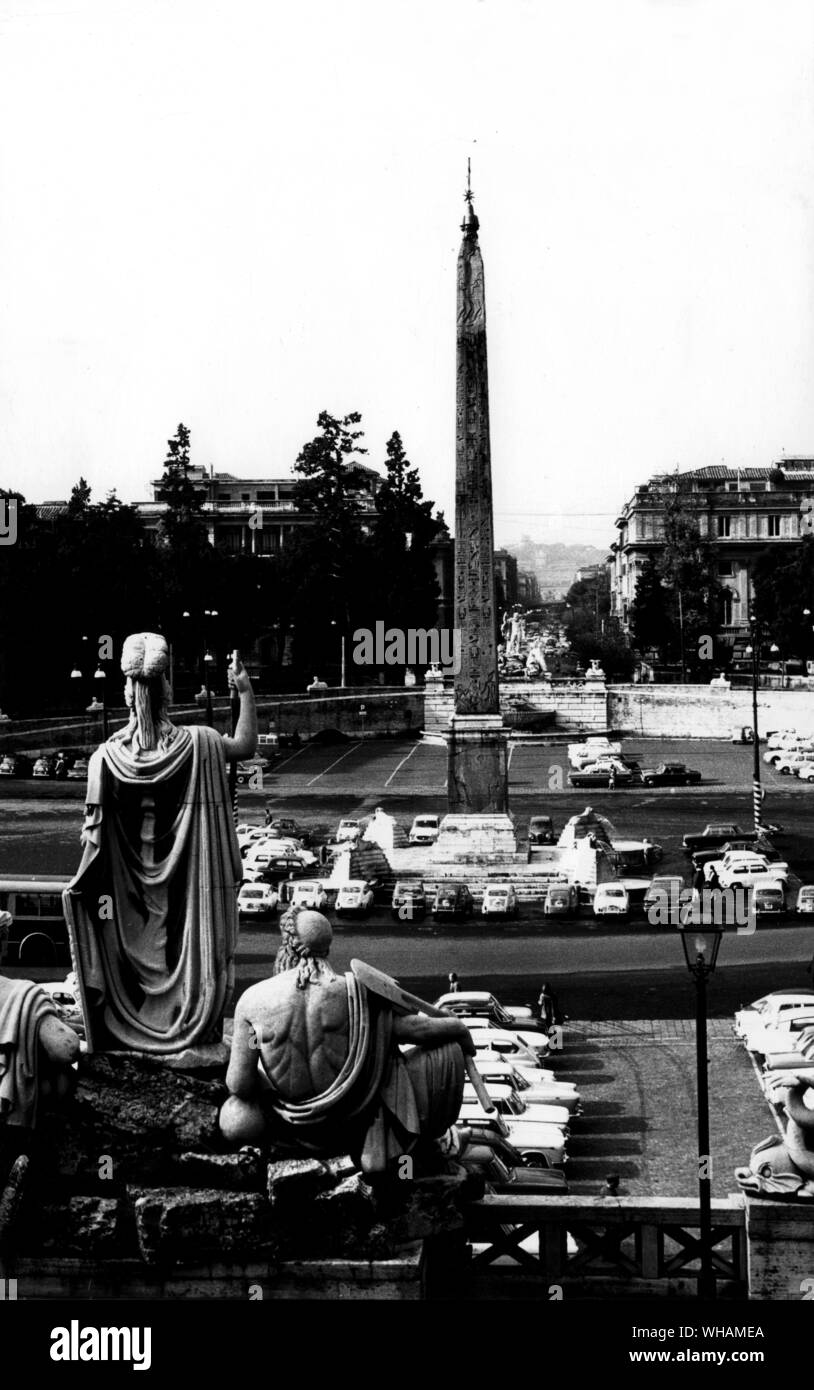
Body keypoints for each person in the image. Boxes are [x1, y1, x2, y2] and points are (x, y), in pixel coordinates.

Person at [63, 632, 257, 1054]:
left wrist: (86, 895)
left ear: (129, 692)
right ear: (166, 687)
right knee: (177, 942)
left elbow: (95, 844)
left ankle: (135, 1018)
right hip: (185, 884)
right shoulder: (199, 743)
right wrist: (245, 691)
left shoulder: (106, 758)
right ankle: (179, 1016)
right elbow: (245, 745)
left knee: (130, 944)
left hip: (125, 891)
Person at [219, 909, 474, 1175]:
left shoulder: (254, 1001)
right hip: (347, 1126)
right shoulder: (356, 996)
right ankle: (429, 1147)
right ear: (327, 947)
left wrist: (260, 1060)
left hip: (288, 1127)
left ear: (287, 943)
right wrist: (456, 1027)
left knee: (235, 1111)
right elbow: (414, 1030)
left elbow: (239, 1084)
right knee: (426, 1056)